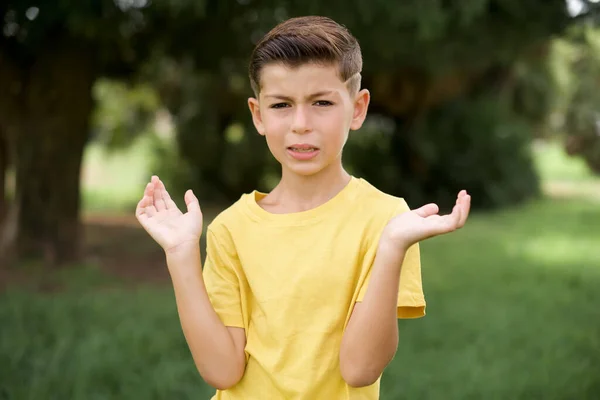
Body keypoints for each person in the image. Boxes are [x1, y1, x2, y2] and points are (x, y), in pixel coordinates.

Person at [135, 15, 471, 400]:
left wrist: (392, 247)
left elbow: (359, 370)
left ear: (358, 109)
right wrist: (180, 256)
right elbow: (222, 371)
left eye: (322, 102)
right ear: (258, 115)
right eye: (281, 105)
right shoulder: (231, 228)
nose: (300, 123)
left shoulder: (388, 221)